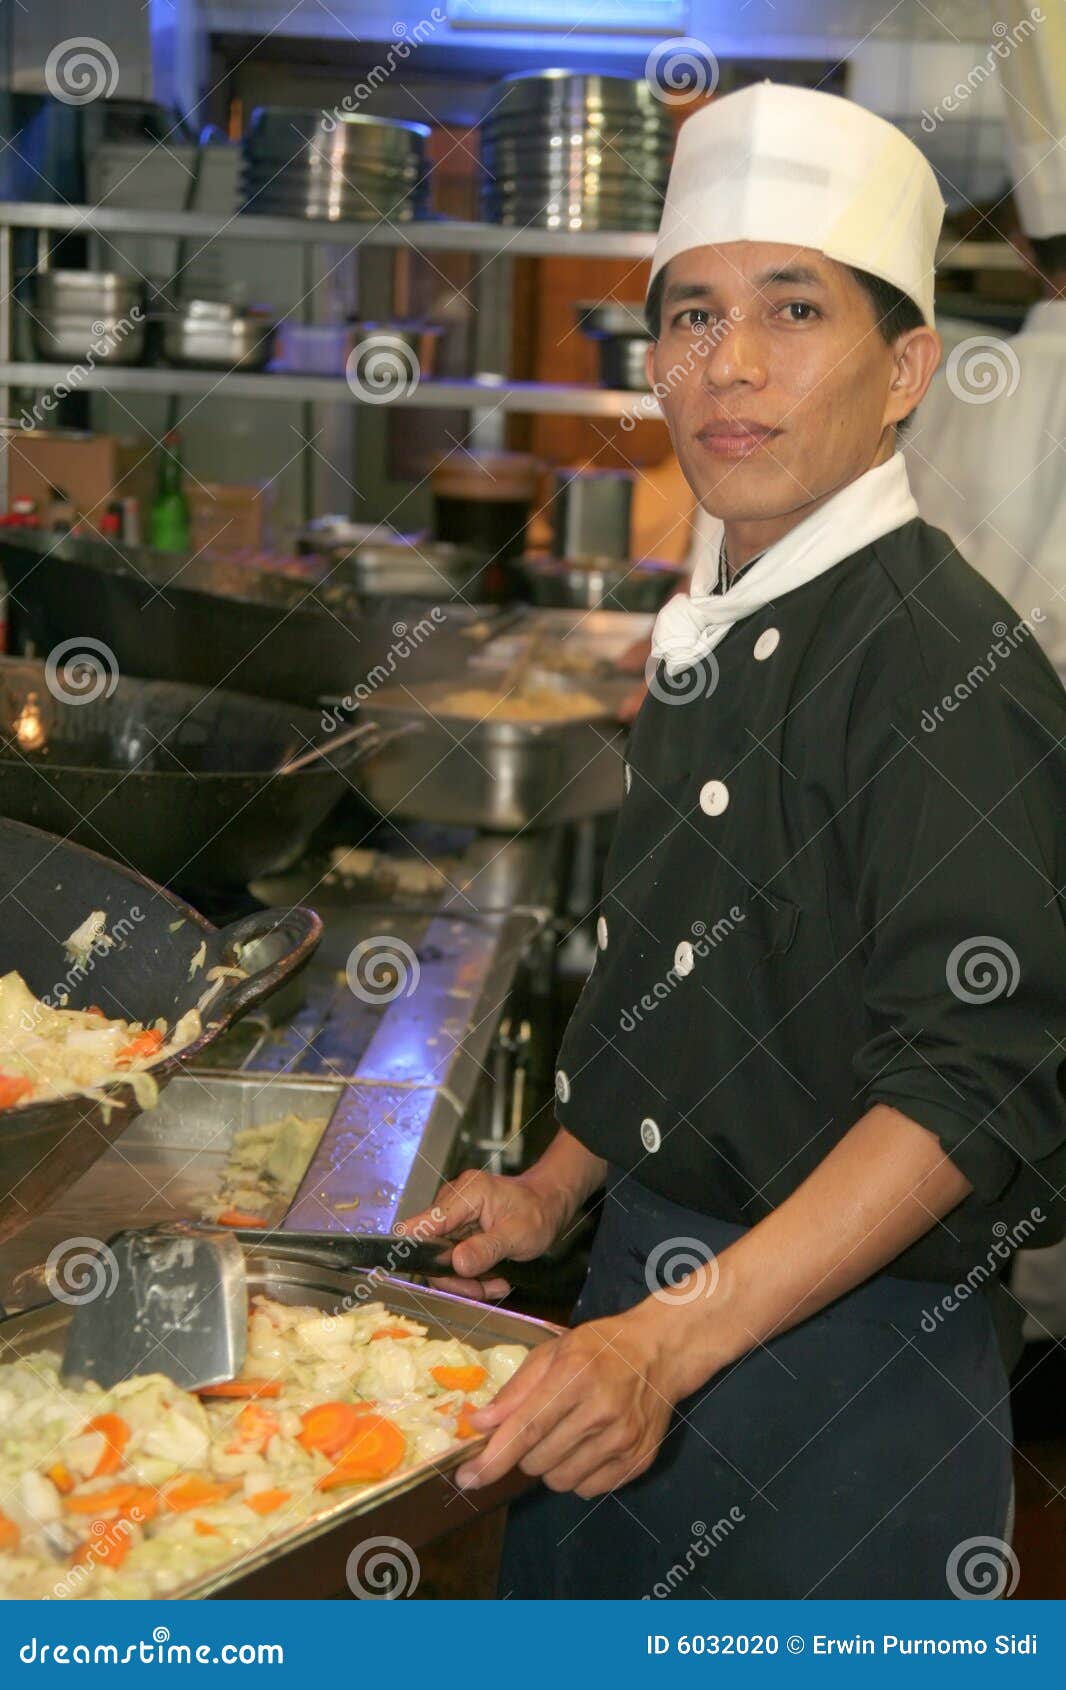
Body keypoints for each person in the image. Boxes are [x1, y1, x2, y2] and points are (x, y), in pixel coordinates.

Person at [406, 80, 1066, 1599]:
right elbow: (704, 977)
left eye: (793, 310)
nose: (734, 366)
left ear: (904, 369)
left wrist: (675, 1334)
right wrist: (554, 1187)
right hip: (628, 1331)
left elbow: (972, 1086)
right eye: (692, 317)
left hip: (834, 1383)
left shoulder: (938, 666)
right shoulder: (718, 614)